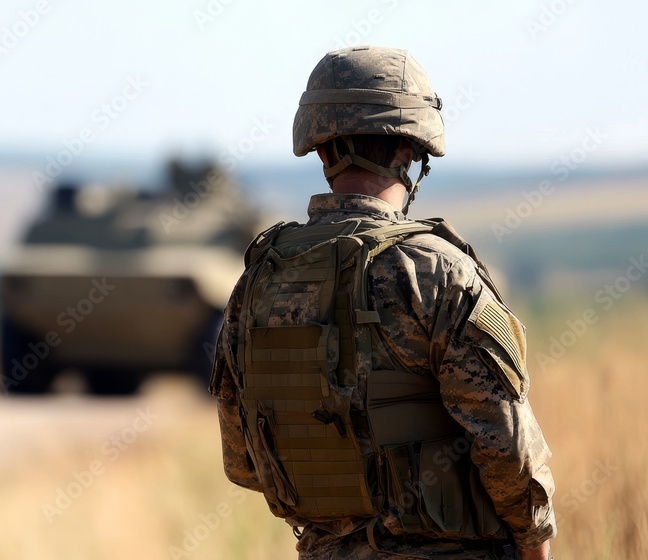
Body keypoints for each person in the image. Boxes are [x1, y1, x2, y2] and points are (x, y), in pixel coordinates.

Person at [209, 46, 556, 560]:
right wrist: (534, 539)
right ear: (410, 152)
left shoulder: (258, 277)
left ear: (321, 150)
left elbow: (243, 464)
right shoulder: (437, 271)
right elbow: (506, 450)